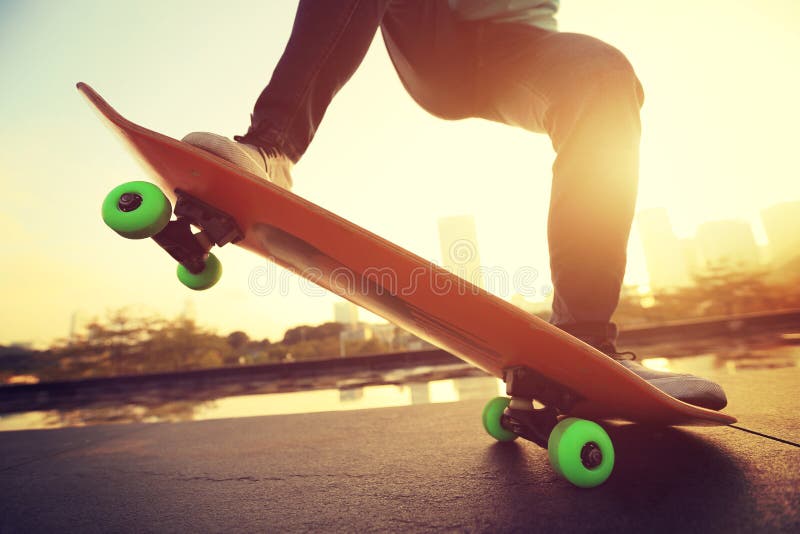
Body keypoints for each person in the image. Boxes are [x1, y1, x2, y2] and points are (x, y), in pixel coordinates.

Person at [183, 0, 727, 410]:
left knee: (604, 78)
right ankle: (272, 147)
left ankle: (585, 341)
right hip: (434, 33)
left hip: (521, 48)